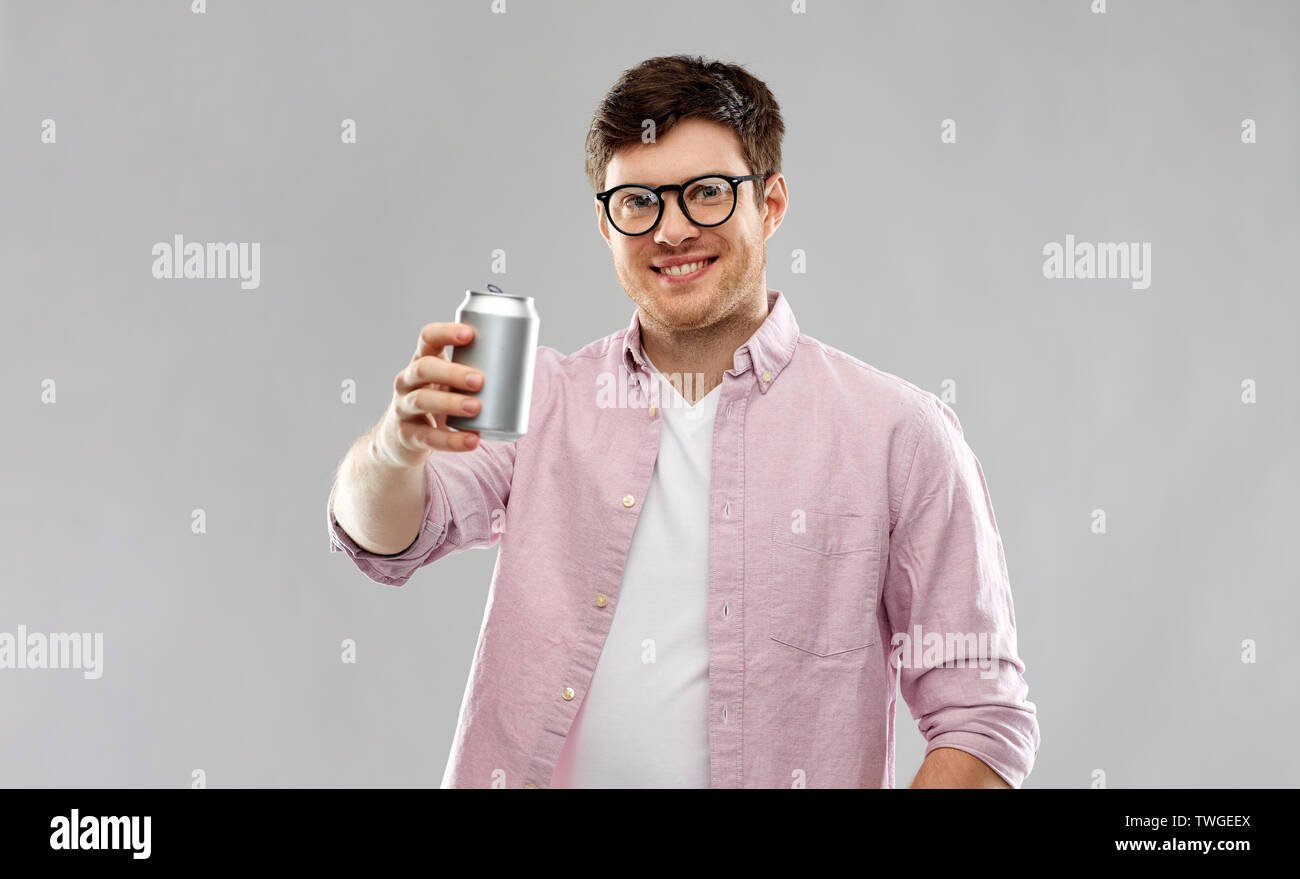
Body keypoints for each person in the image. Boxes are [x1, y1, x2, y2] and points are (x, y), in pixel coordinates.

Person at [327, 55, 1039, 789]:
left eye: (704, 193)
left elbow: (983, 722)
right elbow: (385, 539)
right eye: (637, 201)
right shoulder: (539, 401)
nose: (670, 231)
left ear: (770, 204)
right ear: (605, 225)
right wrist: (393, 447)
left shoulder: (901, 435)